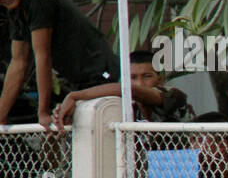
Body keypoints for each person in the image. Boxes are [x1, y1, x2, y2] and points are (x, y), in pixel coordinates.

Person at [0, 0, 117, 128]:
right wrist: (1, 115)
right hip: (80, 83)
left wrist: (43, 111)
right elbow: (19, 62)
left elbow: (42, 55)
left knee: (56, 127)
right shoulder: (16, 6)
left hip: (101, 78)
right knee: (58, 129)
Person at [53, 48, 194, 130]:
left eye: (147, 76)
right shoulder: (123, 106)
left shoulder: (174, 96)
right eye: (133, 77)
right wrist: (67, 113)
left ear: (160, 79)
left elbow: (132, 90)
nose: (139, 83)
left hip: (180, 170)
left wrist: (74, 96)